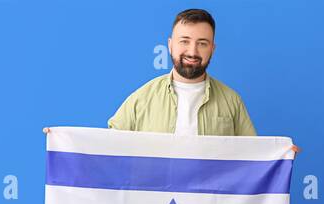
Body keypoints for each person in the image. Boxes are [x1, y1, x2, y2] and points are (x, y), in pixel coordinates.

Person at [108, 8, 257, 136]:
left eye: (202, 43)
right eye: (184, 41)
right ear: (170, 45)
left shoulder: (232, 102)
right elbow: (107, 148)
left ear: (212, 49)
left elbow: (256, 157)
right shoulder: (141, 99)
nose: (192, 52)